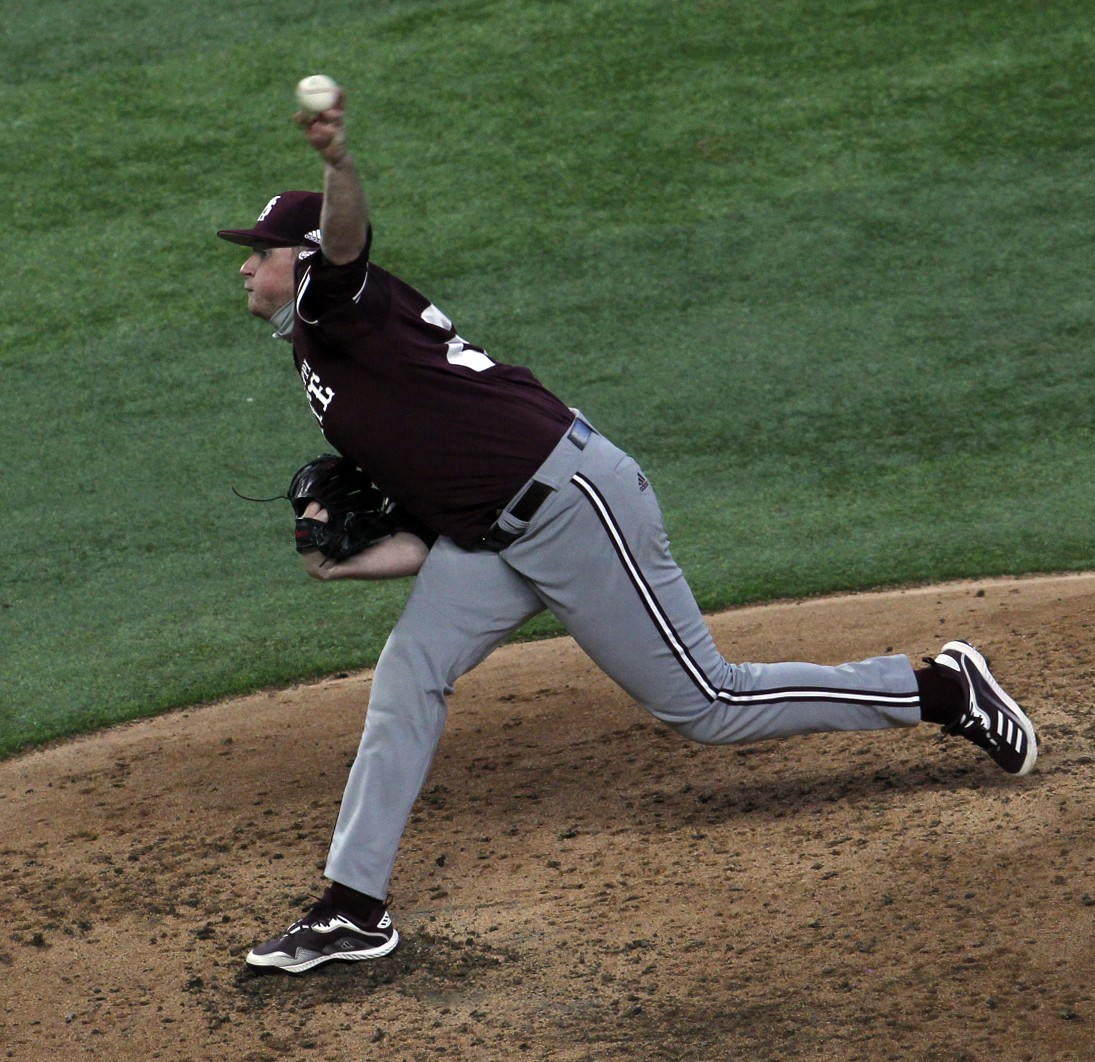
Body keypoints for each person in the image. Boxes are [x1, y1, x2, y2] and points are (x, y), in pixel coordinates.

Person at [217, 92, 1038, 975]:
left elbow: (343, 243)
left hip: (572, 504)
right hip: (491, 532)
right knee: (409, 676)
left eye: (258, 254)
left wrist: (338, 167)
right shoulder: (326, 352)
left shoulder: (332, 303)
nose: (244, 270)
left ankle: (940, 689)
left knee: (708, 706)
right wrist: (337, 569)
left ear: (297, 262)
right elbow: (429, 522)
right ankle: (353, 908)